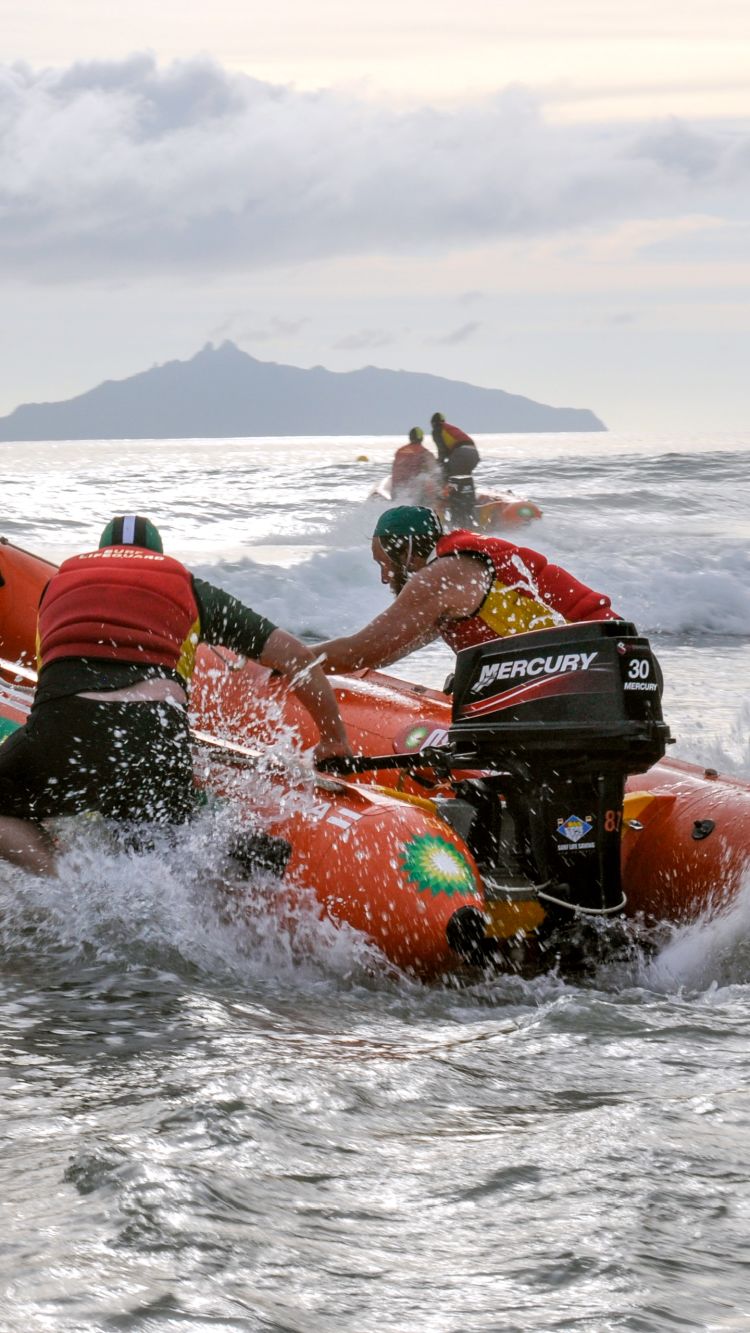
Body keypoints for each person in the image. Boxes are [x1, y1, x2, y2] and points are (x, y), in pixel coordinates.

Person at [0, 515, 352, 875]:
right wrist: (333, 739)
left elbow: (52, 676)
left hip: (66, 726)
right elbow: (299, 658)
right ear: (160, 555)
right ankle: (224, 849)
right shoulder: (187, 588)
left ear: (102, 551)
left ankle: (66, 881)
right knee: (158, 825)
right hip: (155, 732)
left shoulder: (56, 586)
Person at [316, 505, 621, 673]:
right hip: (616, 662)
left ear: (406, 551)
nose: (385, 577)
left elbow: (361, 651)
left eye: (384, 564)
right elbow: (384, 654)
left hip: (594, 665)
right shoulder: (461, 569)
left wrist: (283, 658)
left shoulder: (444, 575)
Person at [430, 412, 481, 529]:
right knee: (464, 478)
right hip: (473, 453)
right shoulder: (450, 428)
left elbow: (442, 452)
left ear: (433, 423)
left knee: (449, 476)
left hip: (461, 452)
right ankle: (469, 501)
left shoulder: (437, 429)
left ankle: (451, 505)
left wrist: (439, 469)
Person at [390, 428, 440, 506]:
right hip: (415, 492)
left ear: (410, 437)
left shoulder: (400, 451)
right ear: (421, 438)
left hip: (397, 489)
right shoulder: (424, 452)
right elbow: (433, 471)